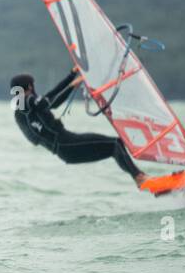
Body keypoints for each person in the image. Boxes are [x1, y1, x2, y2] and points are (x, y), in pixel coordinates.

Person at [10, 68, 146, 185]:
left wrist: (71, 75)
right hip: (66, 144)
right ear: (29, 87)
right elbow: (53, 103)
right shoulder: (27, 101)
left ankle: (142, 180)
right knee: (116, 144)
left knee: (114, 148)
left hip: (64, 151)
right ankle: (139, 177)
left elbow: (50, 96)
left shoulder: (22, 109)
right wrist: (71, 86)